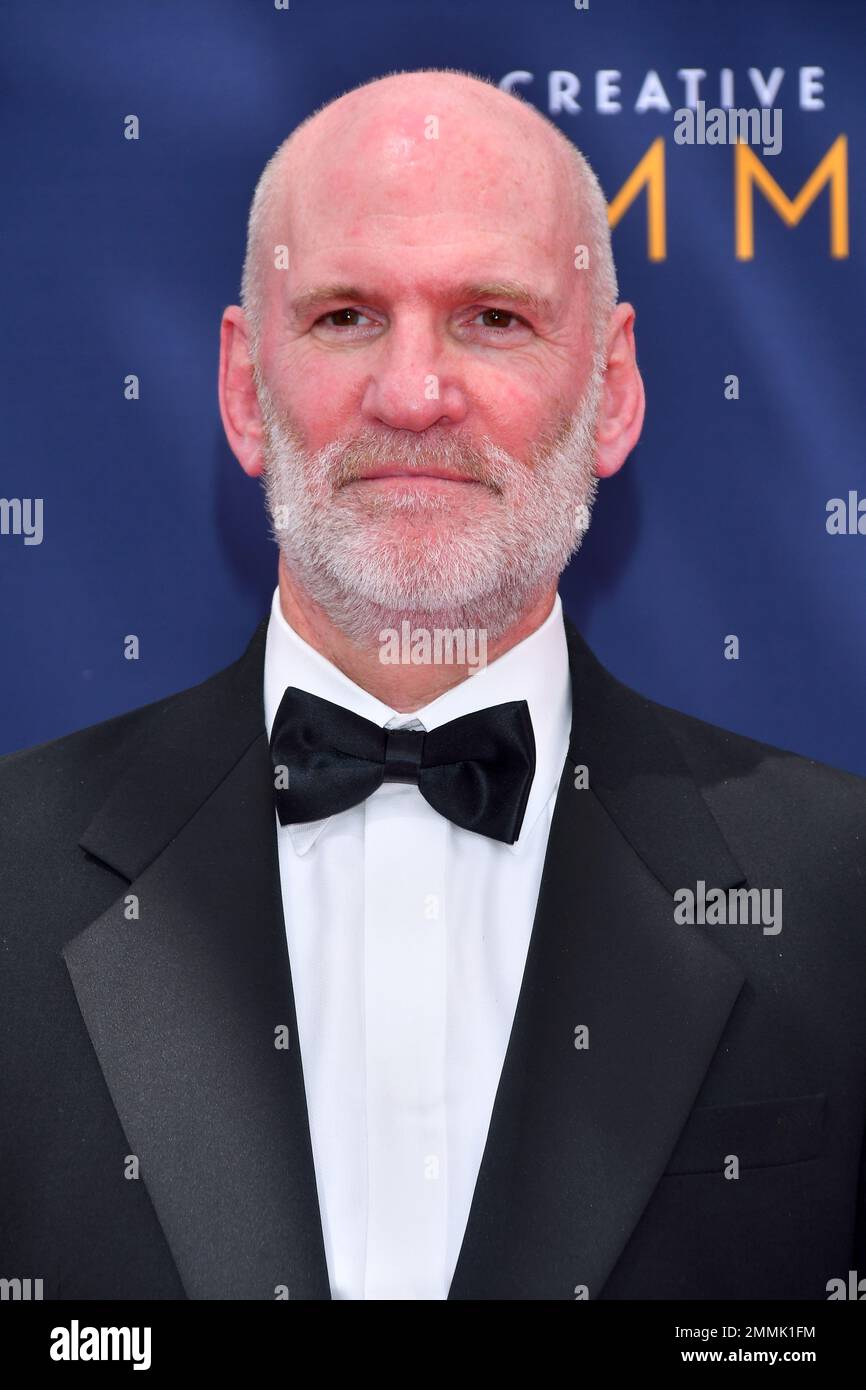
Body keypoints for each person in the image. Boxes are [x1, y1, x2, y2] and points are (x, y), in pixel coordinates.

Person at [2, 68, 865, 1302]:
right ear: (245, 389)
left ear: (611, 391)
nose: (412, 395)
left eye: (492, 318)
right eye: (347, 316)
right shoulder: (12, 882)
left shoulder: (838, 897)